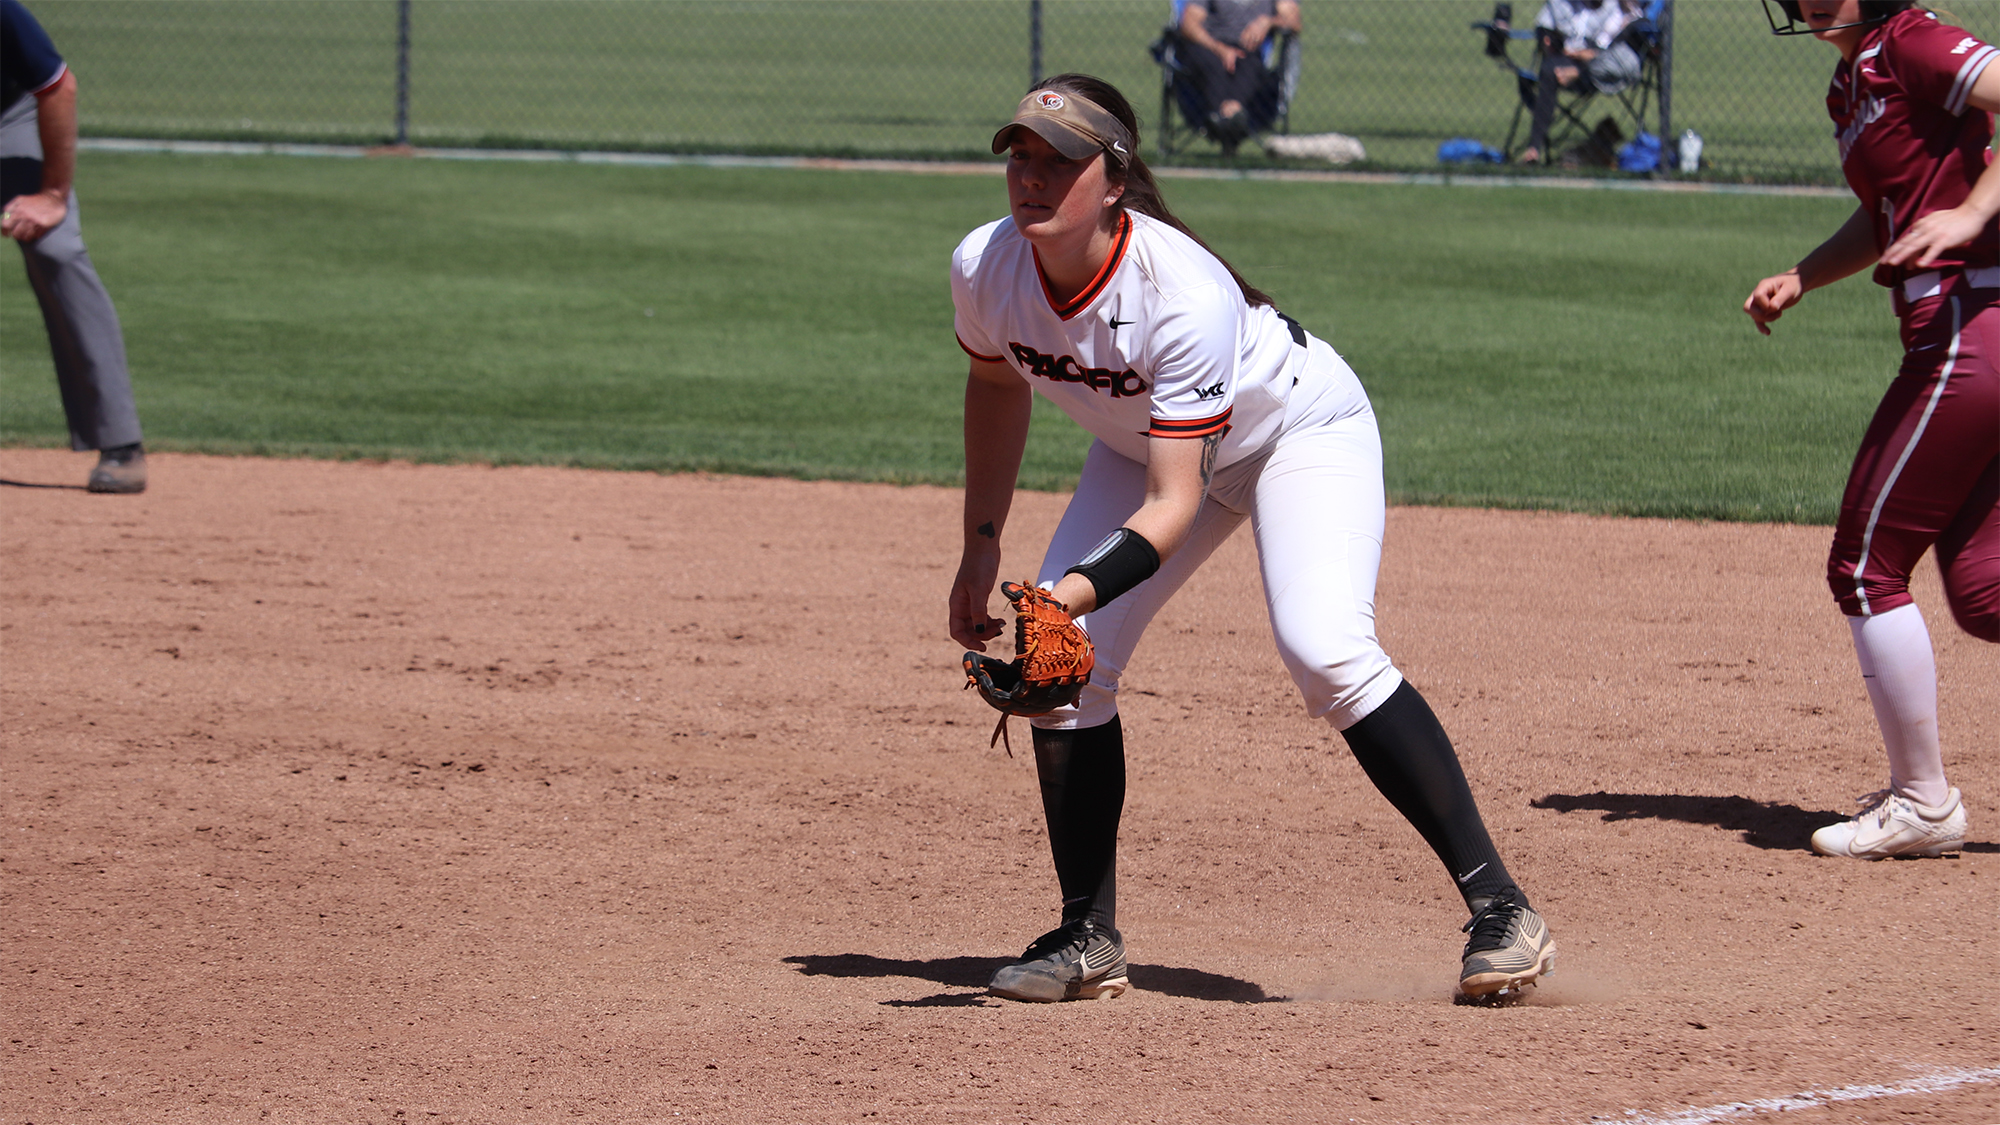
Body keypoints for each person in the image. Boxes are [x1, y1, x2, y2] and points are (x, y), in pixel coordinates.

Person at [948, 74, 1558, 1003]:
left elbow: (1174, 504)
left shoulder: (1180, 290)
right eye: (1020, 156)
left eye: (1059, 160)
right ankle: (1087, 934)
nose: (1031, 177)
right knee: (1072, 670)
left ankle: (1503, 909)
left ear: (1113, 180)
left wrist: (1063, 596)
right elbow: (996, 386)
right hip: (1148, 444)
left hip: (1293, 433)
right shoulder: (985, 266)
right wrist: (981, 546)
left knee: (1324, 647)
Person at [1744, 0, 1998, 859]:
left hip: (1974, 324)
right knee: (1985, 588)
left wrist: (1970, 217)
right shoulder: (1851, 83)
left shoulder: (1914, 41)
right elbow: (1889, 210)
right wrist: (1803, 276)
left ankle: (1924, 804)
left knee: (1864, 564)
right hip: (1955, 328)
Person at [1, 0, 145, 493]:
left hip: (9, 119)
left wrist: (52, 196)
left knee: (55, 249)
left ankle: (121, 444)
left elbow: (58, 87)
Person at [1514, 0, 1642, 165]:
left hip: (1601, 67)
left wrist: (1585, 63)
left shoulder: (1615, 9)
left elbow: (1614, 49)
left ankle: (1575, 76)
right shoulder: (1563, 4)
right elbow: (1545, 30)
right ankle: (1534, 148)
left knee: (1557, 70)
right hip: (1567, 59)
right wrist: (1549, 42)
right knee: (1547, 71)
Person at [1176, 0, 1301, 154]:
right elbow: (1189, 24)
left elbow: (1294, 22)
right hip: (1208, 46)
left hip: (1249, 51)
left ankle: (1224, 118)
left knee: (1251, 66)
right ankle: (1232, 118)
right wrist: (1218, 48)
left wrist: (1268, 21)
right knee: (1213, 65)